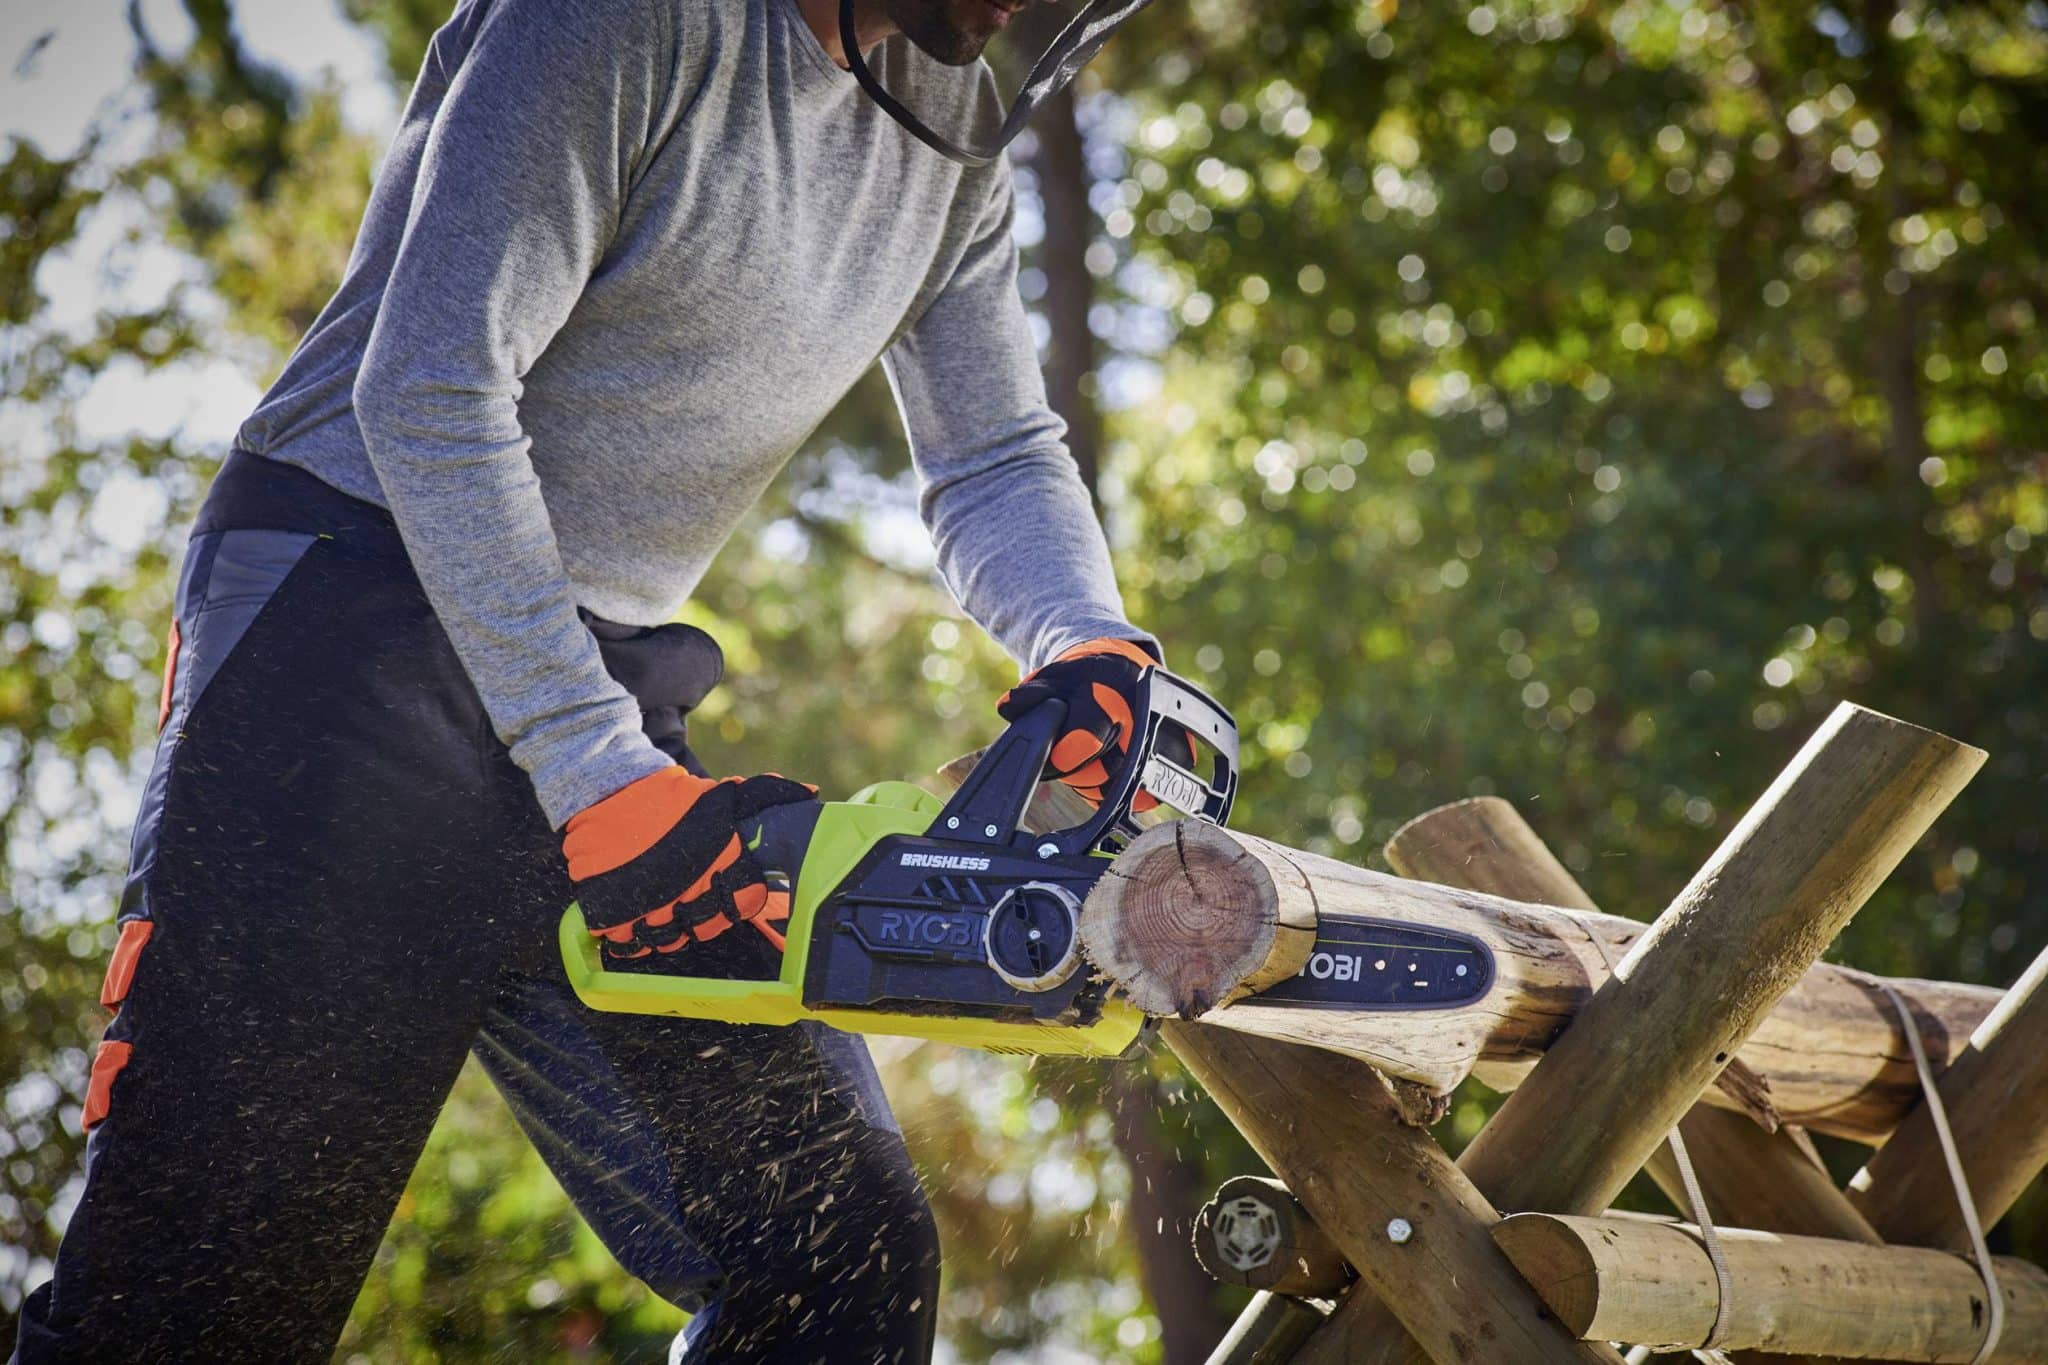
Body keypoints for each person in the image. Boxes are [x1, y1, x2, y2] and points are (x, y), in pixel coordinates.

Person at [11, 0, 1183, 1360]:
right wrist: (596, 771)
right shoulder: (622, 18)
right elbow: (431, 386)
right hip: (345, 634)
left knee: (838, 1255)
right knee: (193, 1313)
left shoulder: (951, 127)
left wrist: (1083, 634)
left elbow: (994, 454)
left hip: (604, 686)